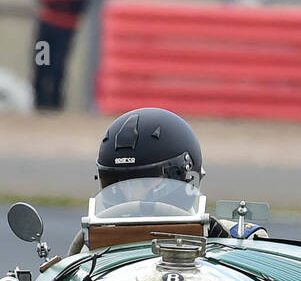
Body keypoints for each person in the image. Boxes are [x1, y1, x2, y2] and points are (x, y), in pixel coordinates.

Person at [69, 108, 269, 252]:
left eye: (145, 182)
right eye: (117, 183)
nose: (132, 196)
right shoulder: (92, 248)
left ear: (185, 177)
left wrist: (222, 243)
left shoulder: (240, 240)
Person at [32, 0, 94, 112]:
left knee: (58, 66)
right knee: (41, 63)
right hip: (47, 26)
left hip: (65, 28)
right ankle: (38, 103)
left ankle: (55, 105)